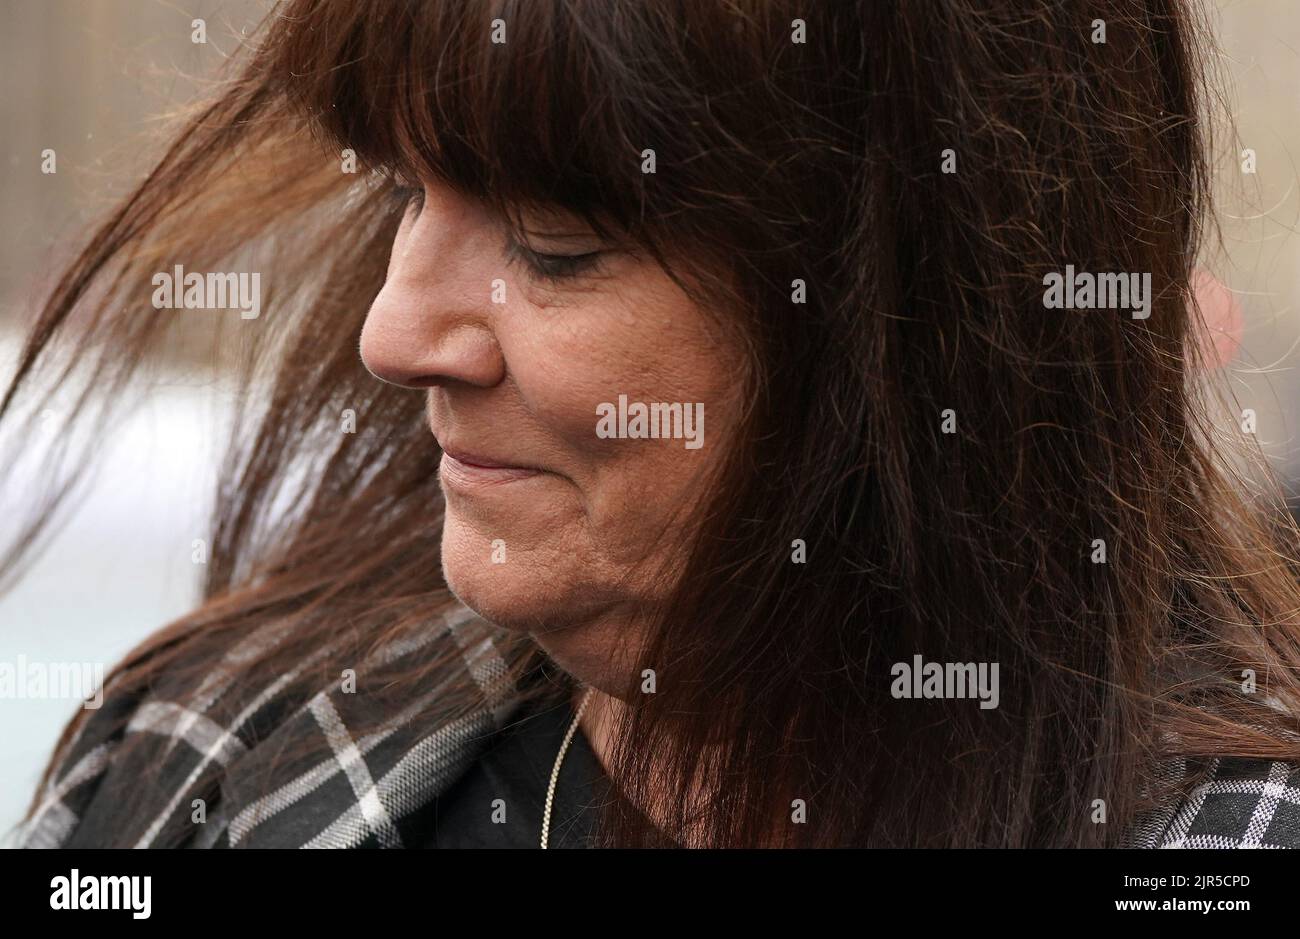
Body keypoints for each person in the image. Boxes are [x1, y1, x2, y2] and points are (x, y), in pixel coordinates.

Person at [8, 0, 1300, 849]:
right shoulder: (209, 754)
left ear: (919, 324)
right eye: (405, 192)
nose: (395, 336)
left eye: (558, 247)